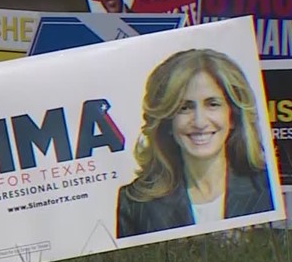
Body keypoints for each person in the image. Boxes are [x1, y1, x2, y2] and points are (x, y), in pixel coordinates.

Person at [115, 48, 274, 238]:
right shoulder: (135, 203)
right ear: (167, 122)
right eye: (185, 107)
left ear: (233, 116)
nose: (199, 122)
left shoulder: (268, 188)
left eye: (212, 104)